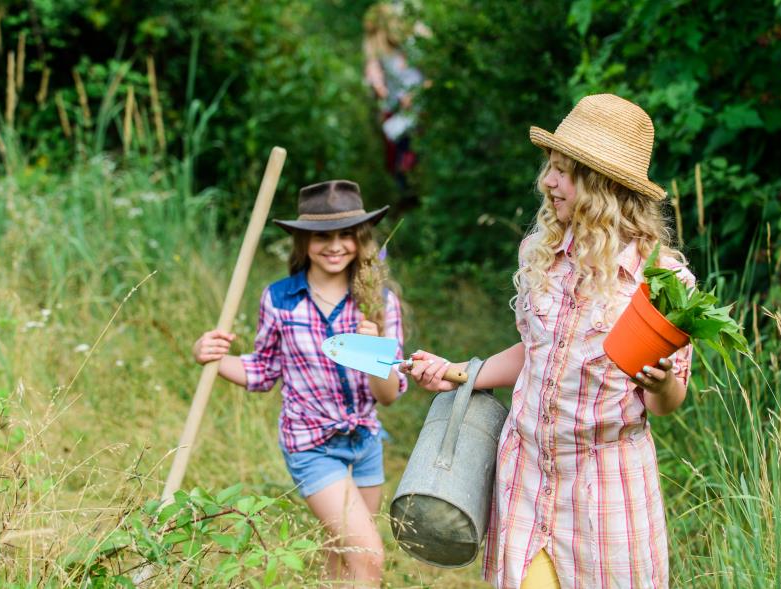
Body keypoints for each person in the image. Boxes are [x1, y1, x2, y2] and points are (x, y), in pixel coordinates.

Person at [402, 94, 693, 589]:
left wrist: (662, 381)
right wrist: (459, 373)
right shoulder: (543, 255)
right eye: (550, 168)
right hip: (528, 475)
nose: (548, 182)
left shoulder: (661, 282)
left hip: (606, 488)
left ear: (602, 186)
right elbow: (535, 355)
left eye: (562, 171)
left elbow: (667, 403)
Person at [193, 180, 407, 587]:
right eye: (322, 236)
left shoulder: (377, 302)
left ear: (361, 239)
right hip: (311, 445)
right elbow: (261, 371)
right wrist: (211, 357)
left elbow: (390, 396)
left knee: (342, 558)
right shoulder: (280, 299)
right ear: (304, 241)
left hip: (365, 443)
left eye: (346, 234)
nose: (335, 245)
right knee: (368, 557)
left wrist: (373, 353)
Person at [362, 1, 427, 194]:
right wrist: (377, 84)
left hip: (419, 109)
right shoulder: (380, 47)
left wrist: (416, 95)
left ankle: (415, 192)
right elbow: (373, 67)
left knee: (411, 153)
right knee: (397, 153)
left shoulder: (415, 41)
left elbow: (432, 73)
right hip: (396, 109)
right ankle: (407, 193)